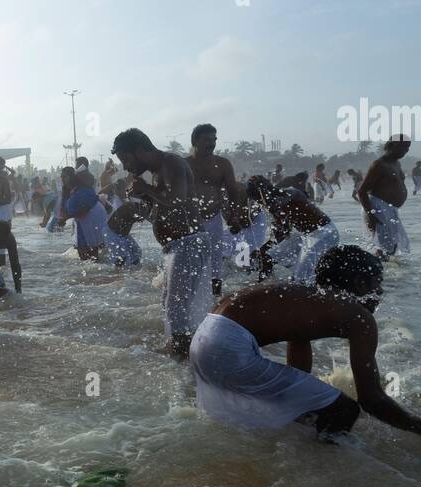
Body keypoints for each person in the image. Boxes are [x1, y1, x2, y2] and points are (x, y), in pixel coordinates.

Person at [189, 245, 421, 447]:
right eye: (378, 283)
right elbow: (370, 399)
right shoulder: (357, 316)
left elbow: (298, 356)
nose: (381, 292)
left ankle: (303, 448)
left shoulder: (306, 297)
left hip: (205, 341)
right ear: (359, 283)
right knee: (344, 411)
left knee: (318, 405)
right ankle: (322, 467)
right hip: (228, 347)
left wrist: (303, 397)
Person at [110, 128, 212, 358]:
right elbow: (163, 210)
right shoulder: (158, 170)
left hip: (188, 243)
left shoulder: (171, 162)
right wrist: (144, 197)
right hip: (179, 246)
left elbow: (177, 200)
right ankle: (181, 356)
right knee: (170, 305)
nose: (126, 166)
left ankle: (181, 361)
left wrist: (145, 189)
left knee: (176, 308)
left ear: (138, 150)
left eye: (126, 159)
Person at [246, 176, 340, 284]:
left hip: (324, 233)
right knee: (268, 257)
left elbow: (295, 194)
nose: (260, 203)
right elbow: (281, 236)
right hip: (305, 236)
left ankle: (305, 291)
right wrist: (262, 250)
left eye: (259, 199)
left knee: (301, 278)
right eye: (257, 200)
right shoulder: (273, 207)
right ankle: (264, 285)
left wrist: (276, 204)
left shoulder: (289, 192)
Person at [187, 123, 239, 295]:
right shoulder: (183, 164)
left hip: (214, 219)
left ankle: (215, 301)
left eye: (214, 139)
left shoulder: (222, 164)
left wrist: (235, 214)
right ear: (194, 140)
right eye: (206, 139)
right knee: (189, 263)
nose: (212, 143)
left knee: (215, 262)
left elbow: (232, 191)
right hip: (189, 223)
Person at [357, 135, 412, 259]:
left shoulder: (396, 163)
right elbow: (362, 191)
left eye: (408, 147)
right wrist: (371, 215)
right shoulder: (379, 165)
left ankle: (384, 274)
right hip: (378, 207)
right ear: (392, 145)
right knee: (384, 248)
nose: (406, 150)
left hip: (390, 209)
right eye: (403, 146)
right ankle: (381, 274)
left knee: (393, 246)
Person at [65, 169, 108, 261]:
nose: (62, 179)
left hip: (86, 220)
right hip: (96, 217)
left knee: (86, 254)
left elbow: (80, 210)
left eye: (64, 177)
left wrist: (64, 218)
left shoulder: (79, 193)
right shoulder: (88, 190)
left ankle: (92, 274)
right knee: (93, 251)